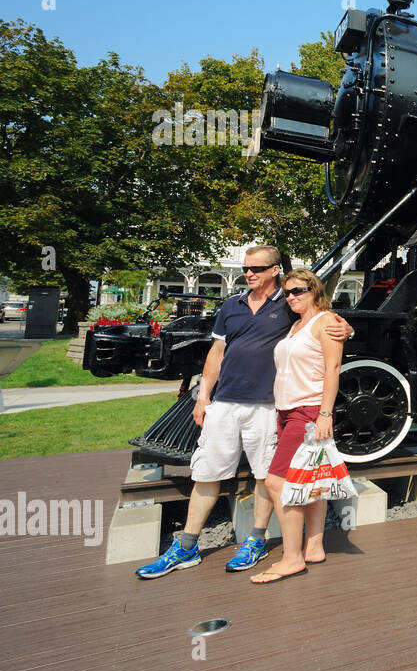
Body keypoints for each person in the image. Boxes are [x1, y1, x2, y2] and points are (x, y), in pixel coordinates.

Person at [136, 247, 349, 578]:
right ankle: (187, 545)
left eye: (257, 268)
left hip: (267, 405)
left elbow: (324, 323)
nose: (249, 274)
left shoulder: (288, 302)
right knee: (206, 472)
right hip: (227, 401)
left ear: (275, 270)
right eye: (246, 268)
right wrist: (203, 394)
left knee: (267, 476)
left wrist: (346, 328)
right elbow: (218, 350)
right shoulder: (232, 305)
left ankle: (257, 540)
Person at [252, 270, 343, 584]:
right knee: (313, 480)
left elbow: (333, 369)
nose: (291, 297)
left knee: (277, 482)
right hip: (287, 411)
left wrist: (325, 414)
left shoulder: (327, 322)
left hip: (309, 411)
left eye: (298, 291)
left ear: (314, 290)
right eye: (287, 293)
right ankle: (313, 546)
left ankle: (291, 559)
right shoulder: (295, 325)